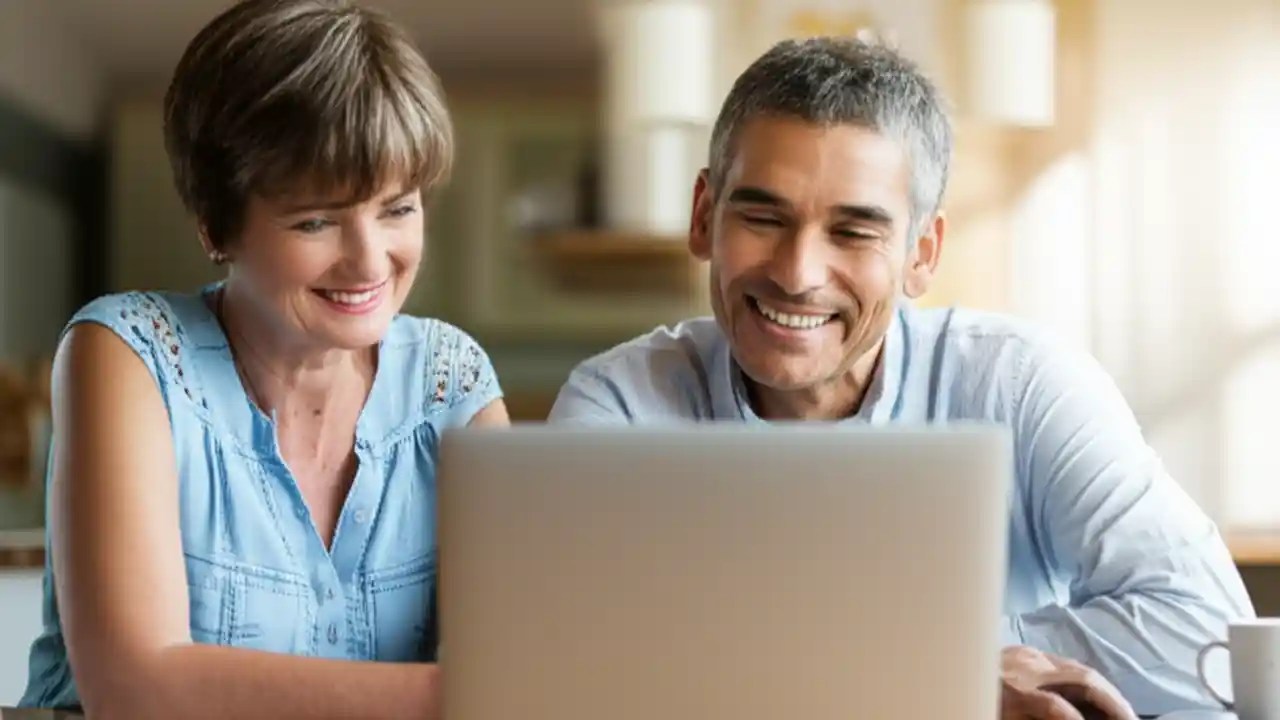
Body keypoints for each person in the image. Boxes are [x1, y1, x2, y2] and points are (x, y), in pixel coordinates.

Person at [548, 37, 1254, 719]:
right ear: (704, 216)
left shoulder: (1020, 383)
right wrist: (945, 673)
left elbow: (1208, 635)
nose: (797, 273)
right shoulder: (619, 404)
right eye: (763, 217)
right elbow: (568, 662)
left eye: (854, 233)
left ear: (922, 254)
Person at [20, 1, 507, 717]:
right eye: (316, 220)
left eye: (398, 208)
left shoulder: (451, 379)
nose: (370, 261)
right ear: (217, 223)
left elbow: (520, 643)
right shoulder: (127, 354)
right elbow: (134, 688)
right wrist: (474, 697)